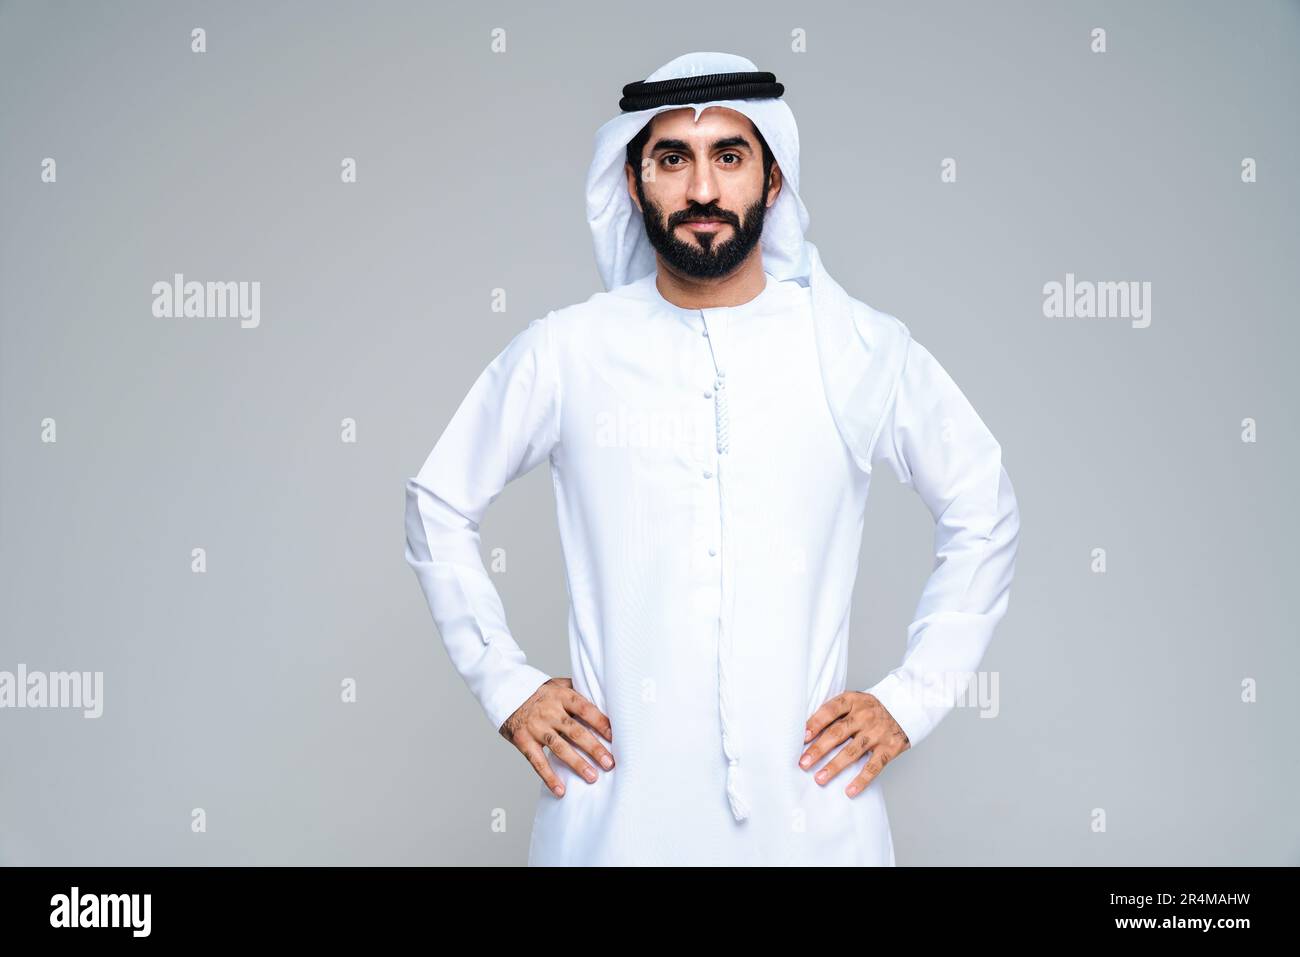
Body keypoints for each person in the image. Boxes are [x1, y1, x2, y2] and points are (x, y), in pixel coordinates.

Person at [404, 51, 1021, 865]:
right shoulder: (569, 350)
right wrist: (506, 684)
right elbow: (437, 504)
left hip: (815, 830)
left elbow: (985, 507)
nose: (702, 190)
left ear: (773, 181)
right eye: (673, 159)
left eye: (730, 156)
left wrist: (911, 699)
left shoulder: (858, 350)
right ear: (632, 182)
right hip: (611, 831)